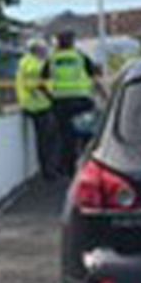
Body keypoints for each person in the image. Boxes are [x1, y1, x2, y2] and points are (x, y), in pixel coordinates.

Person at [44, 31, 101, 177]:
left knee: (66, 137)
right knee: (87, 134)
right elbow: (94, 78)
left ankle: (68, 169)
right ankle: (88, 165)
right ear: (72, 42)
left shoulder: (52, 59)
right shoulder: (80, 57)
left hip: (60, 102)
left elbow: (41, 81)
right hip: (81, 101)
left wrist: (50, 97)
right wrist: (105, 96)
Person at [16, 37, 58, 179]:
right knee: (47, 141)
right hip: (39, 106)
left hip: (32, 104)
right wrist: (51, 98)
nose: (46, 52)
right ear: (37, 50)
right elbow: (38, 85)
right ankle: (48, 171)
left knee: (45, 140)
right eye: (43, 50)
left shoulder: (26, 62)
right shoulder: (35, 64)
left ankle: (48, 170)